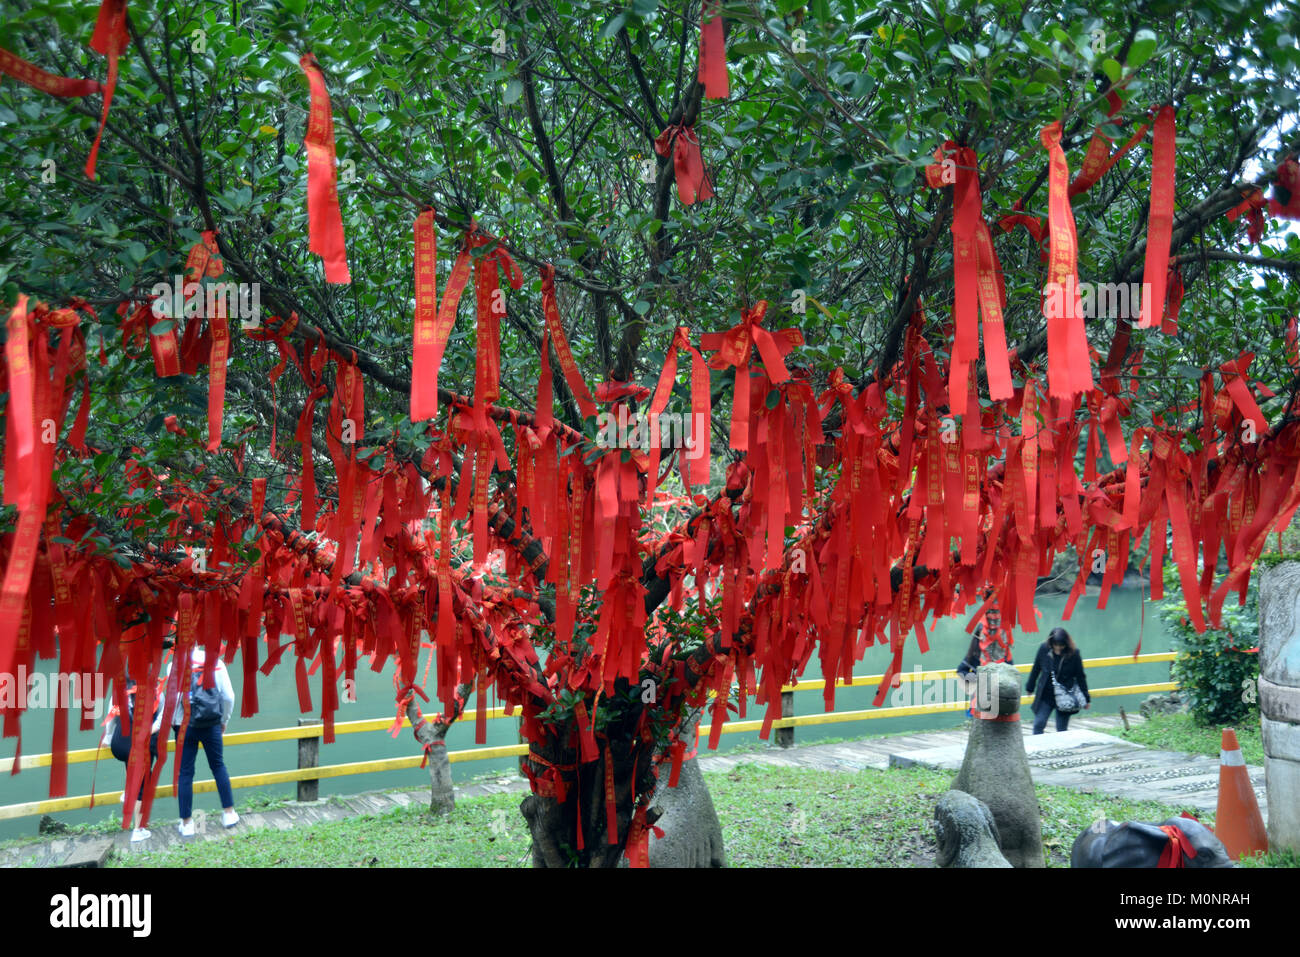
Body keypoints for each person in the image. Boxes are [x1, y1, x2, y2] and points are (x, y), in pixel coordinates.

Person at [166, 647, 239, 835]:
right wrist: (224, 721)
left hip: (184, 726)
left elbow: (172, 701)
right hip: (211, 724)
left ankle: (187, 823)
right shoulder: (216, 662)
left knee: (185, 773)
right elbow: (228, 697)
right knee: (218, 766)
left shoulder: (173, 666)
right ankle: (229, 813)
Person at [102, 677, 160, 842]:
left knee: (132, 768)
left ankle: (128, 792)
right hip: (140, 746)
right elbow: (162, 717)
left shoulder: (121, 690)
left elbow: (111, 715)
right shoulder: (156, 690)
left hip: (119, 745)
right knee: (141, 788)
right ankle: (138, 830)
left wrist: (108, 736)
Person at [1025, 627, 1090, 734]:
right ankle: (1037, 748)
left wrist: (1086, 698)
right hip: (1046, 694)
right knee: (1038, 724)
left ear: (1066, 644)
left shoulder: (1074, 654)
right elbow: (1036, 668)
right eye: (1056, 645)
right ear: (1051, 643)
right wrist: (1030, 687)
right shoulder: (1044, 649)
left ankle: (1061, 750)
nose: (1058, 648)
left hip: (1065, 696)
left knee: (1061, 730)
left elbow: (1080, 677)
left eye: (1061, 646)